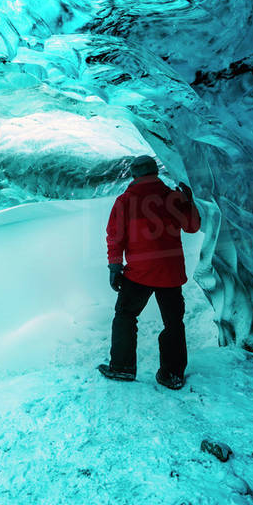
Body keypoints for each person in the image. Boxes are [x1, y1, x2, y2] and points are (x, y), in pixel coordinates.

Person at [99, 154, 201, 390]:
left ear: (135, 174)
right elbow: (193, 227)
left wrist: (114, 266)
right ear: (155, 172)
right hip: (170, 272)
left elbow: (115, 236)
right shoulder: (173, 197)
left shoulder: (125, 200)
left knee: (125, 316)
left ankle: (122, 368)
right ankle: (172, 374)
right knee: (173, 323)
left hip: (139, 272)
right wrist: (189, 200)